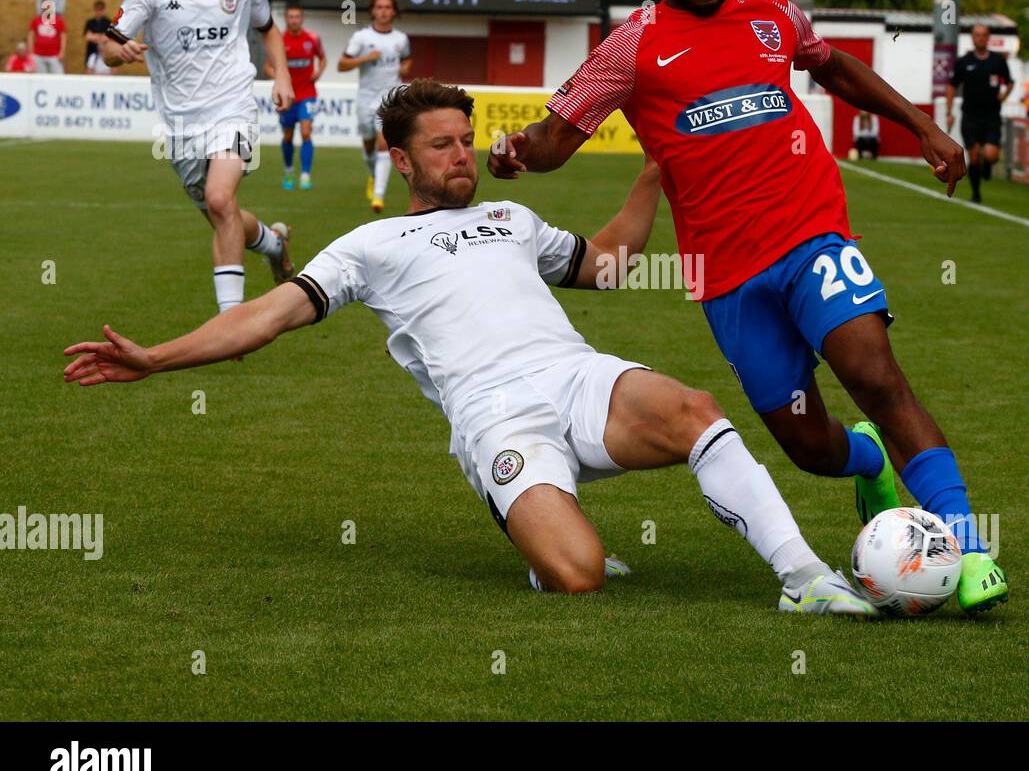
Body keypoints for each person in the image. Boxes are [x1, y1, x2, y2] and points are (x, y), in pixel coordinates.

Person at [63, 79, 879, 617]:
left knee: (697, 410)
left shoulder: (513, 220)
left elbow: (603, 266)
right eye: (443, 145)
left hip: (575, 379)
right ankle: (541, 534)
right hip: (496, 419)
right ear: (401, 156)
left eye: (466, 139)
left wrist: (651, 181)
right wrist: (157, 357)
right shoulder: (369, 245)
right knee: (580, 576)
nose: (462, 156)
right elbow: (268, 316)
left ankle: (803, 578)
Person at [490, 0, 1007, 614]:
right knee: (808, 446)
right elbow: (553, 141)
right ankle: (866, 462)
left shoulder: (772, 15)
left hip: (812, 235)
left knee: (875, 372)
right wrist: (515, 152)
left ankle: (970, 549)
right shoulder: (632, 45)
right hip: (727, 278)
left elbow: (835, 67)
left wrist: (923, 126)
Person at [101, 0, 297, 314]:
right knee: (223, 216)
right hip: (181, 124)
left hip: (233, 108)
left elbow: (268, 28)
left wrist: (281, 74)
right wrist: (122, 52)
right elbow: (109, 46)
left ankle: (231, 321)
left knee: (220, 200)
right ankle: (274, 242)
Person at [338, 0, 411, 213]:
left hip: (388, 97)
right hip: (365, 96)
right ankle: (372, 174)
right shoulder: (361, 37)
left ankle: (378, 197)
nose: (383, 11)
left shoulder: (401, 38)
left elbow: (407, 59)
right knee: (368, 144)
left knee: (383, 144)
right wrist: (365, 59)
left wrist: (405, 68)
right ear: (372, 11)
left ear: (394, 12)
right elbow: (342, 65)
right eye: (379, 7)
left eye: (388, 7)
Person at [945, 23, 1013, 203]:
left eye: (984, 35)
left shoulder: (997, 61)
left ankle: (988, 165)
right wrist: (949, 111)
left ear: (988, 37)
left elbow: (1010, 82)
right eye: (977, 35)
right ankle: (976, 194)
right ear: (973, 38)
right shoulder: (964, 62)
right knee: (974, 154)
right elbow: (952, 86)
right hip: (970, 116)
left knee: (991, 154)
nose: (980, 38)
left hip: (991, 115)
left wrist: (1004, 95)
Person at [265, 3, 325, 191]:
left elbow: (323, 58)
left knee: (306, 132)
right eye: (291, 17)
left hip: (307, 93)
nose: (294, 20)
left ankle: (305, 175)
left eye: (297, 16)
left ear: (302, 19)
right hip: (288, 95)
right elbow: (267, 66)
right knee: (288, 136)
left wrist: (319, 71)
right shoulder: (280, 41)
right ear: (286, 19)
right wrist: (279, 78)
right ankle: (289, 171)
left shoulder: (312, 39)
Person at [28, 0, 66, 74]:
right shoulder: (36, 20)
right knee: (40, 78)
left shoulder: (59, 21)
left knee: (58, 77)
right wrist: (31, 53)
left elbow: (63, 37)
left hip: (54, 55)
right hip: (38, 55)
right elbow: (31, 36)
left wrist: (62, 52)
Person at [83, 0, 113, 75]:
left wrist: (94, 36)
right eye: (97, 9)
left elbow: (109, 37)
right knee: (90, 70)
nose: (99, 12)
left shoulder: (108, 22)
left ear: (104, 10)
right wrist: (101, 36)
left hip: (105, 52)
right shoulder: (90, 22)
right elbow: (87, 36)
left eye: (101, 9)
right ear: (94, 10)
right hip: (92, 51)